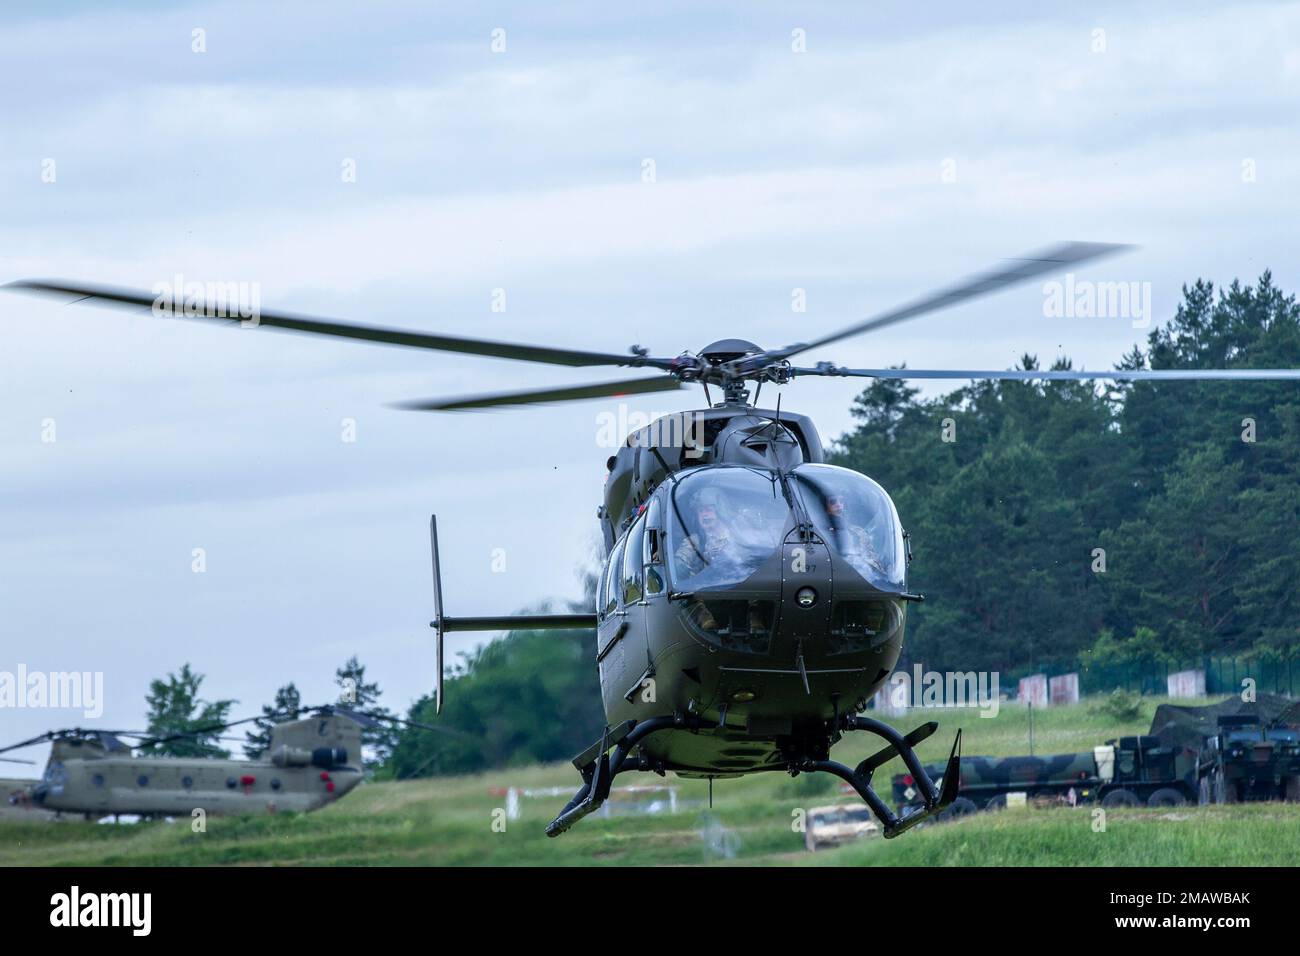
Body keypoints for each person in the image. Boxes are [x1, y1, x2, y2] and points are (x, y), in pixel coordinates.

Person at [824, 493, 886, 576]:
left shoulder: (858, 532)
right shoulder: (818, 531)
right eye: (833, 501)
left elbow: (871, 559)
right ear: (825, 506)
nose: (838, 504)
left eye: (841, 501)